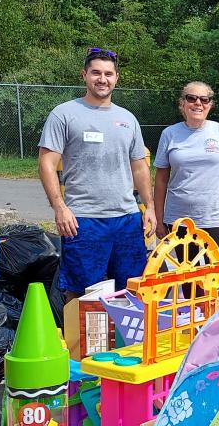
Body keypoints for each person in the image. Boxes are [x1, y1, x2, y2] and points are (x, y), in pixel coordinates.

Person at [38, 47, 156, 298]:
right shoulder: (64, 114)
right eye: (96, 73)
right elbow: (46, 163)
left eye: (108, 74)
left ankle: (122, 327)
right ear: (84, 75)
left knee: (131, 290)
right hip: (83, 219)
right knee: (81, 293)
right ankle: (81, 328)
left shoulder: (128, 119)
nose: (102, 79)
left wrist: (150, 207)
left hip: (126, 219)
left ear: (116, 78)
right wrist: (60, 208)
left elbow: (139, 167)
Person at [153, 81, 219, 261]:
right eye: (191, 98)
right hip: (180, 219)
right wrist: (159, 219)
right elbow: (160, 180)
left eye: (204, 99)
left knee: (216, 272)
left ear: (210, 104)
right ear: (182, 103)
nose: (198, 103)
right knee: (187, 273)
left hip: (216, 216)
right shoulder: (169, 134)